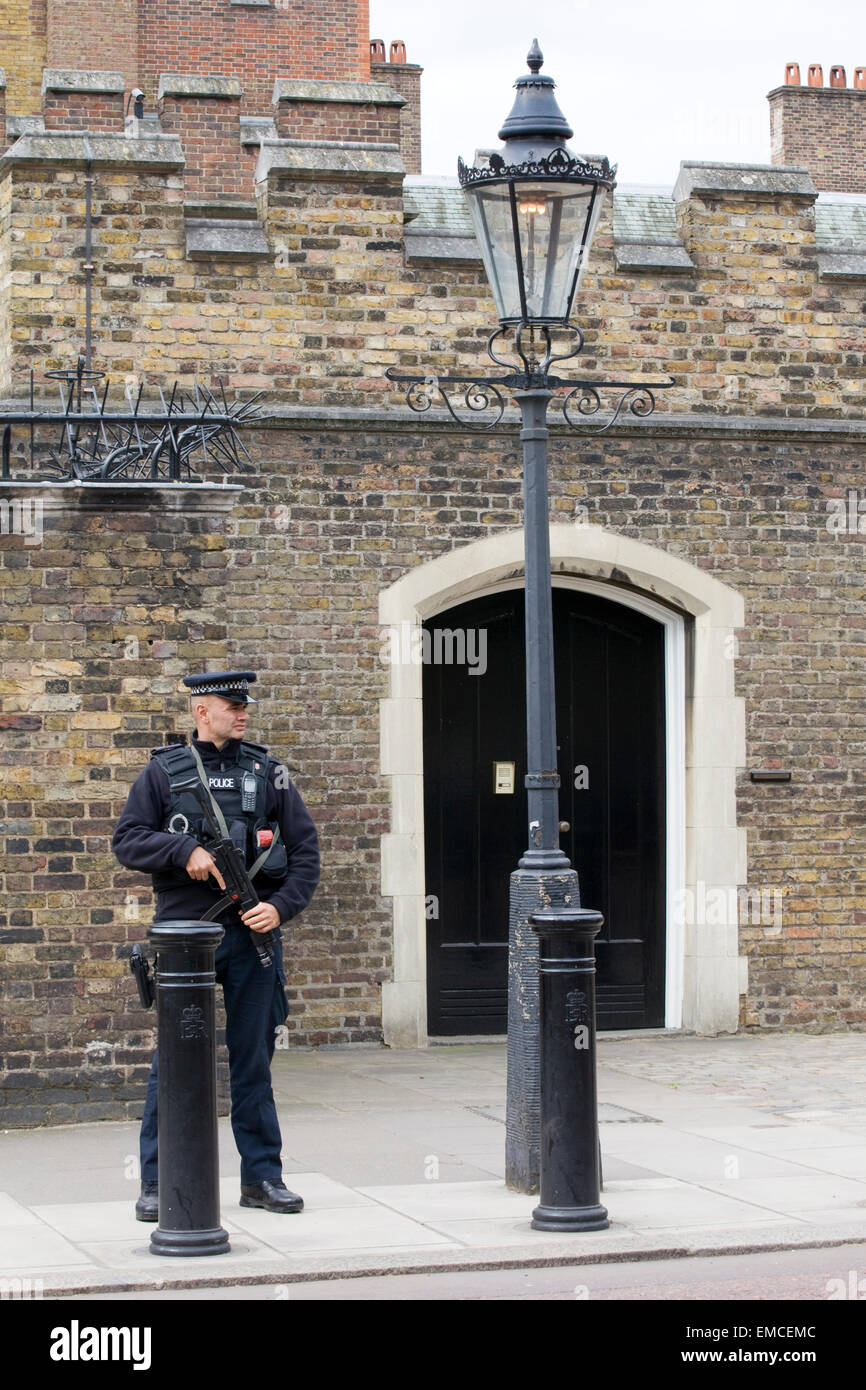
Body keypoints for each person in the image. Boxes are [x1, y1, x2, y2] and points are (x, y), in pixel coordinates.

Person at [112, 669, 320, 1219]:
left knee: (254, 1060)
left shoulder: (268, 773)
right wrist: (184, 852)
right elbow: (128, 839)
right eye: (232, 705)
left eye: (245, 705)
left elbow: (305, 854)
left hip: (254, 936)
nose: (243, 713)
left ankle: (263, 1178)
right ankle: (157, 1182)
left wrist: (280, 907)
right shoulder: (163, 772)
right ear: (202, 712)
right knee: (175, 1064)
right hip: (188, 940)